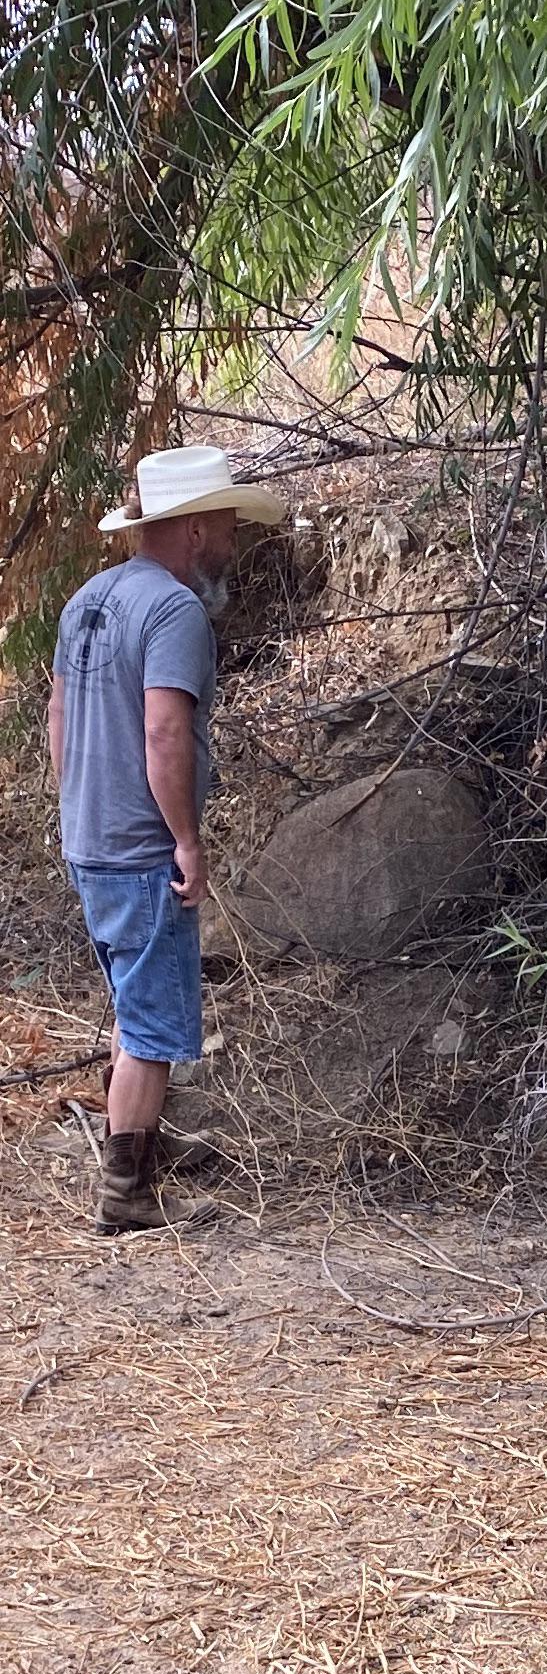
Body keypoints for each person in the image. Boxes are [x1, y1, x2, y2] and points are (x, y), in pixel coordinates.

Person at [48, 442, 284, 1234]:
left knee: (130, 1005)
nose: (231, 539)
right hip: (141, 845)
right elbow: (163, 730)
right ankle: (126, 1191)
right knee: (149, 1028)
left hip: (90, 835)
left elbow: (59, 719)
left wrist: (74, 805)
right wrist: (186, 838)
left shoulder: (87, 598)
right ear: (192, 529)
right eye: (224, 523)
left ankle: (141, 1143)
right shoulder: (175, 610)